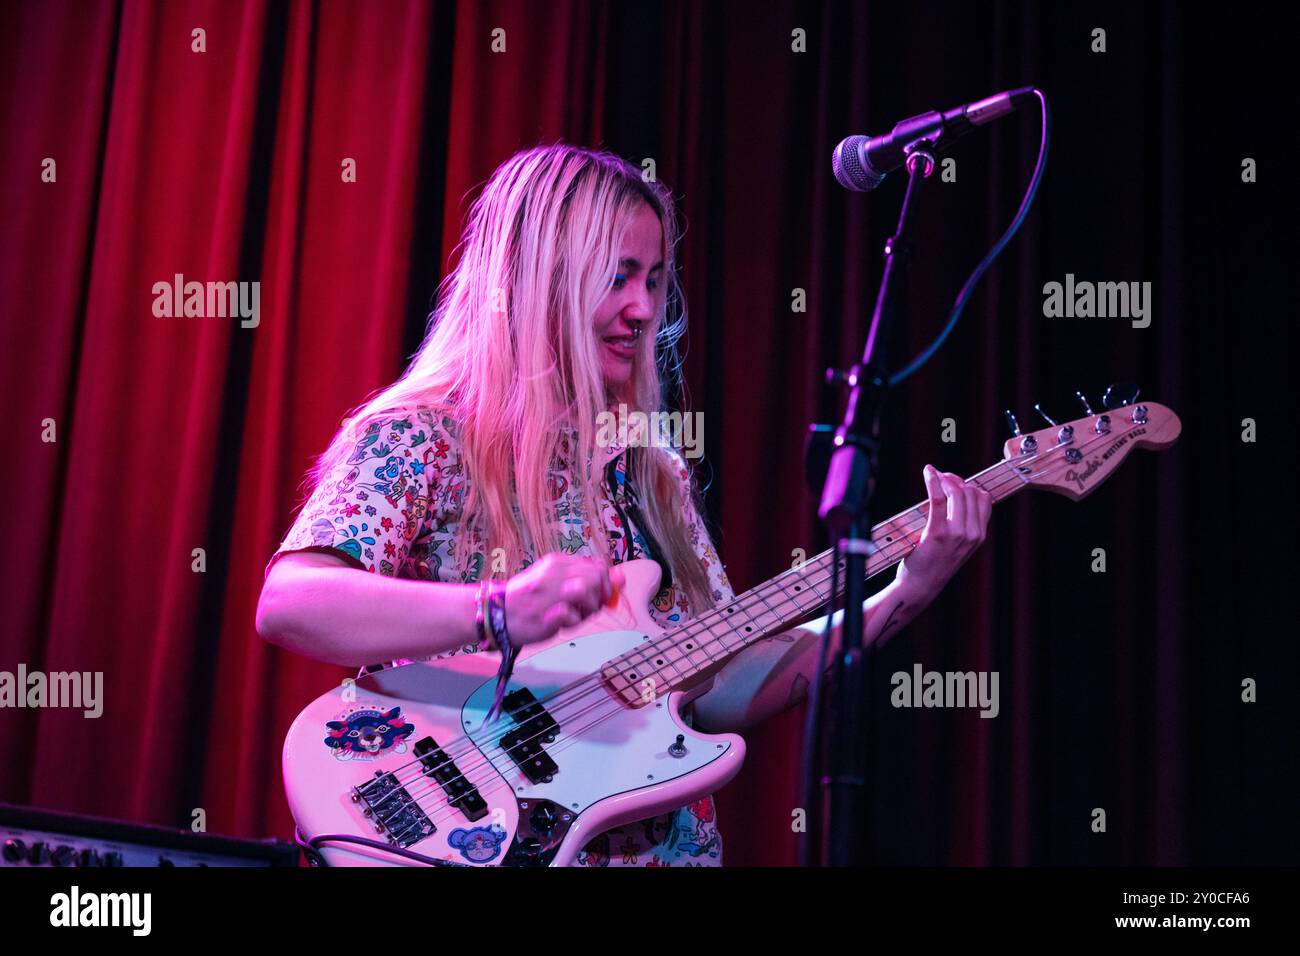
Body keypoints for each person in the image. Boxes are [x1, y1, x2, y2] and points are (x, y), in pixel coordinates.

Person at [255, 143, 991, 867]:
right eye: (617, 277)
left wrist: (906, 591)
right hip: (469, 831)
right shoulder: (423, 433)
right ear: (536, 277)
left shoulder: (649, 465)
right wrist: (495, 611)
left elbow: (721, 681)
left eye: (654, 280)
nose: (643, 309)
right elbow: (291, 601)